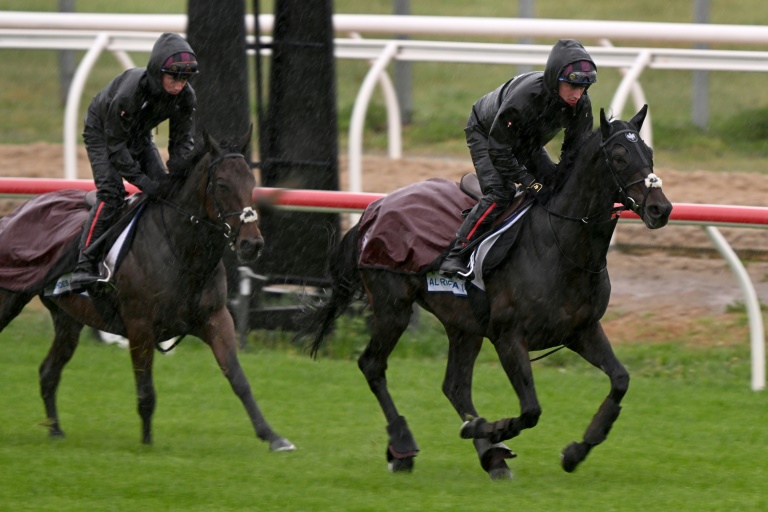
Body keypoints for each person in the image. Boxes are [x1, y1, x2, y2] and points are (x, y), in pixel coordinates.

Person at [439, 39, 597, 279]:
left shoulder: (581, 104)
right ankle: (457, 253)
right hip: (487, 132)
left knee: (556, 186)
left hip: (526, 139)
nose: (577, 94)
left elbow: (574, 153)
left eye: (583, 87)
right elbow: (500, 149)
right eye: (571, 86)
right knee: (500, 193)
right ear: (555, 79)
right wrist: (531, 184)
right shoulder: (527, 96)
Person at [70, 33, 199, 288]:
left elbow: (182, 143)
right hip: (103, 132)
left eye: (186, 78)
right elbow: (116, 147)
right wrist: (141, 181)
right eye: (174, 76)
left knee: (164, 191)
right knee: (112, 192)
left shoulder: (186, 97)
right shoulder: (129, 93)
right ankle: (84, 263)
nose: (179, 85)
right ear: (156, 71)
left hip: (139, 135)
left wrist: (178, 174)